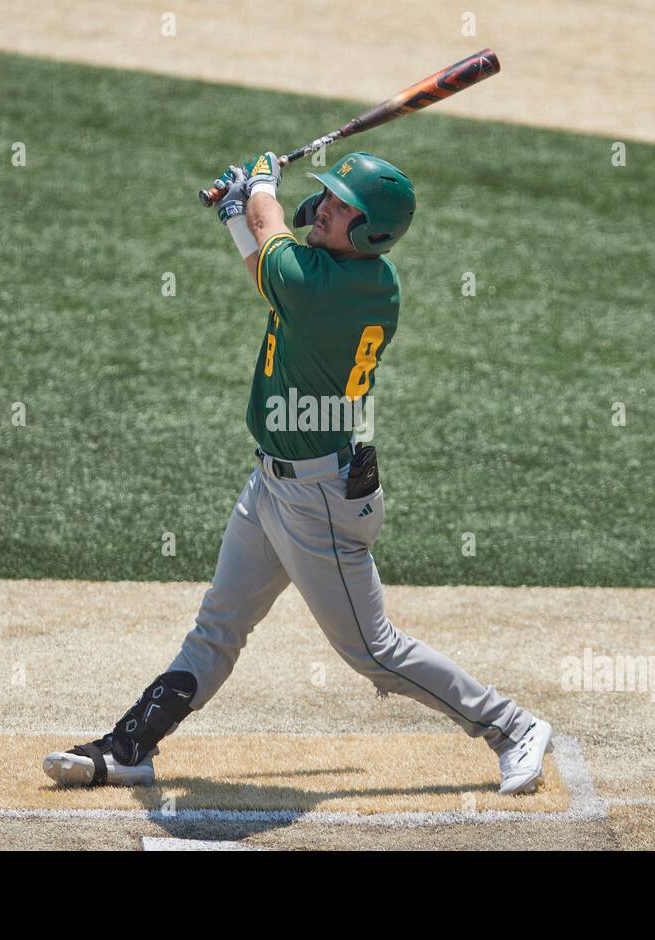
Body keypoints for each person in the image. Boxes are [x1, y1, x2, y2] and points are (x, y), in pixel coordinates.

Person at [43, 151, 552, 795]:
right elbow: (267, 266)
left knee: (373, 652)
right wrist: (239, 211)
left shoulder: (330, 285)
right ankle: (128, 748)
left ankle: (512, 727)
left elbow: (269, 230)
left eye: (341, 206)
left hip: (320, 499)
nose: (326, 208)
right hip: (275, 483)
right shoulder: (339, 277)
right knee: (218, 626)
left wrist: (257, 188)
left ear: (369, 233)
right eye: (329, 198)